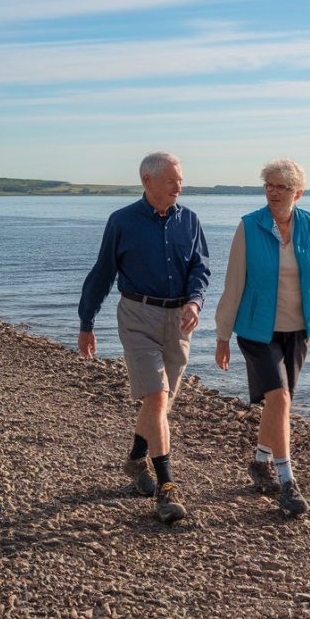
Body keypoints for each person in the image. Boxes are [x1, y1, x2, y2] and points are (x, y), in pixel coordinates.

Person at [77, 151, 209, 523]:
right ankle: (167, 489)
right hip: (137, 315)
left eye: (181, 180)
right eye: (171, 181)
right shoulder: (122, 221)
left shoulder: (191, 220)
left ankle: (136, 460)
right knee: (157, 395)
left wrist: (196, 303)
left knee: (160, 406)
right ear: (147, 181)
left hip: (180, 319)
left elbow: (201, 267)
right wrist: (87, 322)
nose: (179, 187)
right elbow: (102, 273)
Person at [214, 158, 310, 518]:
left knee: (277, 404)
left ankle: (259, 461)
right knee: (281, 398)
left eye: (281, 187)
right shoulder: (249, 226)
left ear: (297, 193)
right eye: (268, 185)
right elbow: (234, 283)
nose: (273, 192)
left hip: (300, 331)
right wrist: (222, 335)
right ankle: (287, 481)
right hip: (257, 330)